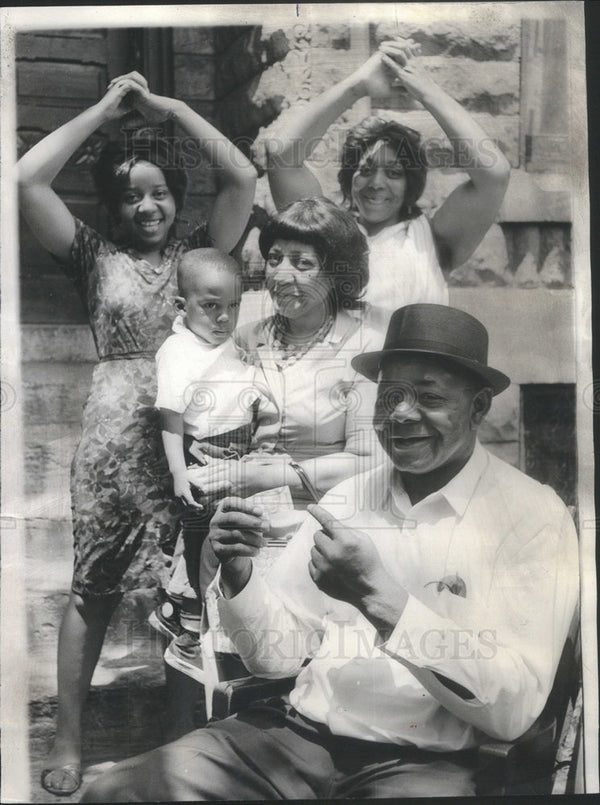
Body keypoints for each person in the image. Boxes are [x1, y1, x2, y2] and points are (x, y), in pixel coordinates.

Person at [81, 304, 578, 802]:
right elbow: (276, 659)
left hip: (425, 764)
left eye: (429, 397)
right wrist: (238, 573)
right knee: (119, 793)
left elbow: (514, 711)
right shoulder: (346, 499)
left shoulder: (530, 516)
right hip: (293, 739)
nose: (402, 414)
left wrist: (379, 600)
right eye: (390, 396)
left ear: (479, 406)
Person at [18, 71, 257, 796]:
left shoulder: (196, 256)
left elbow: (244, 175)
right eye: (130, 195)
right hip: (114, 440)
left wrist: (173, 108)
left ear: (177, 200)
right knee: (92, 589)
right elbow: (27, 180)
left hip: (197, 434)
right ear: (113, 206)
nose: (146, 205)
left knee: (193, 585)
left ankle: (189, 738)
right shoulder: (93, 256)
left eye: (158, 191)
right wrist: (103, 109)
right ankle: (67, 738)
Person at [267, 37, 511, 331]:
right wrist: (358, 86)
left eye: (394, 173)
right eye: (366, 169)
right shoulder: (322, 231)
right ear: (349, 176)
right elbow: (281, 155)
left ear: (411, 184)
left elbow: (494, 174)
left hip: (407, 376)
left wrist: (426, 90)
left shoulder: (434, 240)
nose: (377, 184)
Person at [151, 248, 273, 647]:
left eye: (233, 305)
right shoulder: (178, 351)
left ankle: (202, 616)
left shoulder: (226, 341)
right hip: (205, 452)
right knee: (204, 537)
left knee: (231, 536)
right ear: (181, 306)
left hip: (243, 449)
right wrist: (178, 471)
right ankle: (189, 621)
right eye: (210, 306)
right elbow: (170, 417)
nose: (224, 317)